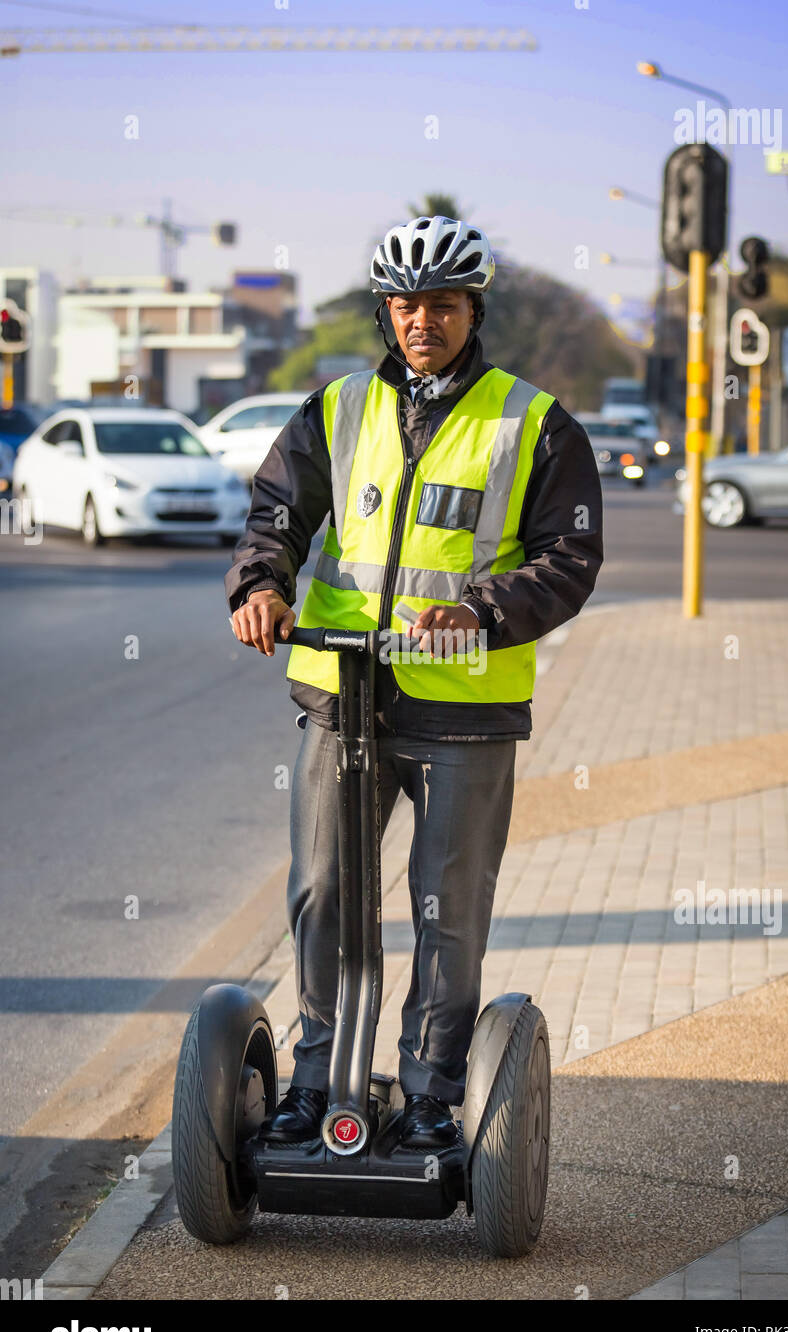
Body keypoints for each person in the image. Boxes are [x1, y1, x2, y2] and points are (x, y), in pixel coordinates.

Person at [226, 215, 603, 1149]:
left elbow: (572, 554)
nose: (420, 320)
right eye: (404, 304)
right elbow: (276, 510)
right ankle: (316, 1086)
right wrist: (262, 584)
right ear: (385, 311)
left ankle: (432, 1095)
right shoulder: (338, 406)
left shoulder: (533, 421)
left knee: (447, 904)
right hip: (342, 700)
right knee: (323, 892)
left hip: (462, 709)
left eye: (440, 303)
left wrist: (479, 608)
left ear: (474, 309)